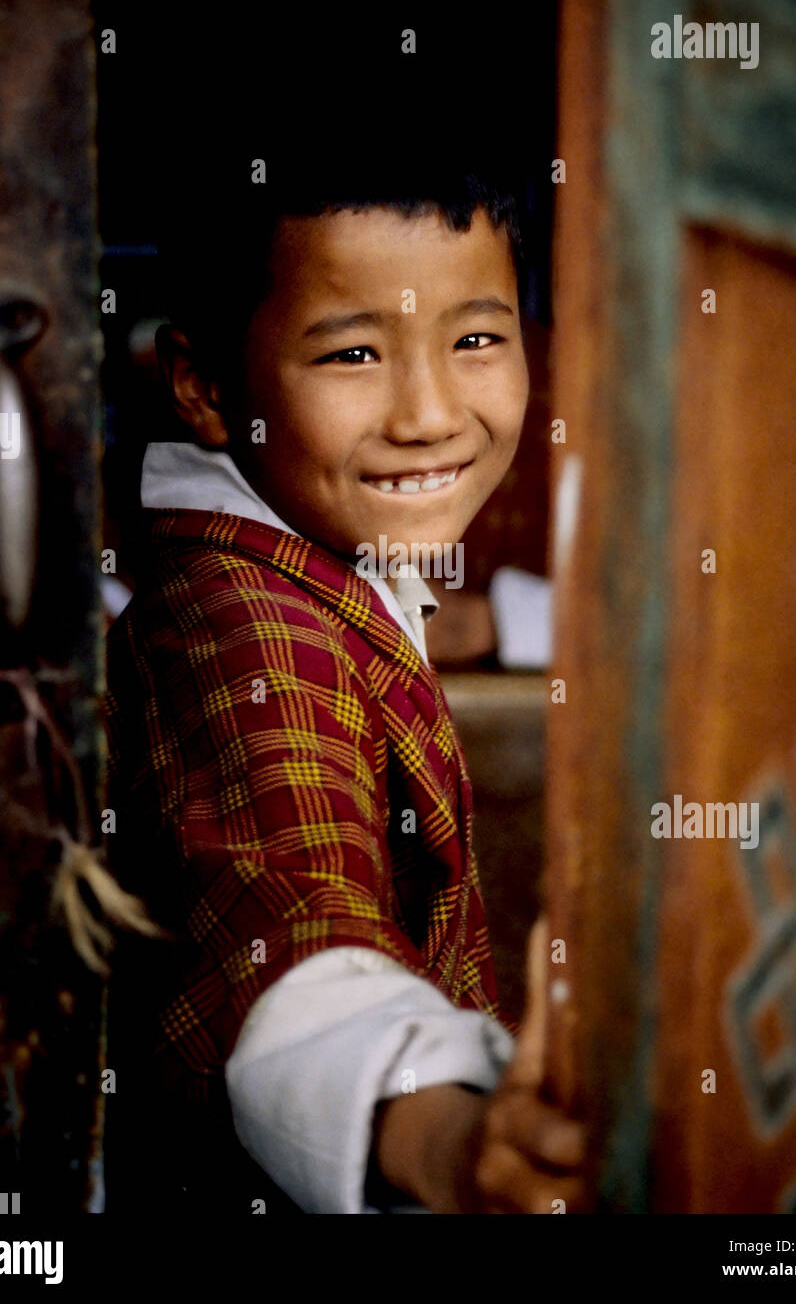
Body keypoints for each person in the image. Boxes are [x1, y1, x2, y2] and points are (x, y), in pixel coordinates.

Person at [103, 141, 586, 1213]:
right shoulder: (237, 626)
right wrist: (449, 1137)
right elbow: (290, 926)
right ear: (204, 384)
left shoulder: (325, 568)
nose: (426, 413)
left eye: (473, 339)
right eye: (351, 355)